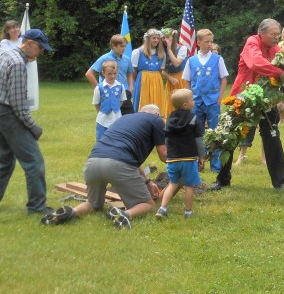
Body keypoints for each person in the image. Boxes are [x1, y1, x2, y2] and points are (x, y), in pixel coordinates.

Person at [41, 105, 166, 229]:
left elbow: (132, 160)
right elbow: (163, 155)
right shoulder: (156, 120)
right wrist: (183, 160)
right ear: (156, 115)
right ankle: (124, 215)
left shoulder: (125, 118)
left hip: (93, 163)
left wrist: (148, 182)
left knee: (93, 203)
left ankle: (72, 212)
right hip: (118, 165)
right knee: (147, 204)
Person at [211, 19, 284, 190]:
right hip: (243, 97)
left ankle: (280, 182)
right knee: (230, 138)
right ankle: (222, 180)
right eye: (273, 34)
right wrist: (279, 73)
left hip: (266, 98)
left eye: (278, 34)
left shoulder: (275, 49)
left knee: (272, 137)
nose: (277, 38)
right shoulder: (252, 43)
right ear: (261, 33)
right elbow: (255, 63)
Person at [0, 29, 53, 216]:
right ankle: (37, 208)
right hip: (7, 113)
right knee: (34, 161)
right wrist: (33, 127)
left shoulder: (5, 54)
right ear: (29, 43)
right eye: (40, 49)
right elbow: (19, 106)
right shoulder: (17, 64)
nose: (40, 54)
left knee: (5, 160)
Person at [181, 29, 228, 173]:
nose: (209, 44)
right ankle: (197, 163)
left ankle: (216, 165)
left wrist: (219, 97)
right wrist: (189, 98)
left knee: (215, 132)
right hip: (196, 102)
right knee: (196, 133)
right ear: (198, 42)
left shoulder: (217, 59)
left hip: (212, 101)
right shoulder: (191, 60)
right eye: (206, 41)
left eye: (211, 41)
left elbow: (224, 78)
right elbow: (187, 81)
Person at [155, 89, 206, 220]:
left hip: (172, 159)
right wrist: (202, 156)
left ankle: (163, 208)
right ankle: (188, 212)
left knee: (173, 183)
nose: (194, 102)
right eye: (192, 100)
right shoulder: (193, 119)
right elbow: (198, 140)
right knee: (189, 185)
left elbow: (166, 139)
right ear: (185, 104)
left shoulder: (169, 119)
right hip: (188, 159)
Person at [86, 35, 135, 115]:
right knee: (110, 118)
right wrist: (99, 88)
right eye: (121, 46)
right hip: (109, 93)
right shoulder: (104, 58)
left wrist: (131, 87)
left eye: (125, 46)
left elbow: (129, 73)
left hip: (124, 92)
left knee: (130, 118)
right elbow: (89, 74)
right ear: (113, 46)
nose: (124, 48)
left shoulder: (126, 59)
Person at [131, 29, 166, 113]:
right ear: (147, 39)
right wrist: (137, 82)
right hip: (143, 80)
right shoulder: (138, 52)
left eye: (158, 38)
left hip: (156, 80)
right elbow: (133, 71)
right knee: (143, 101)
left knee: (157, 102)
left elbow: (161, 70)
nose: (156, 40)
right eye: (153, 38)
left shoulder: (162, 54)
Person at [91, 60, 126, 141]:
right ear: (103, 73)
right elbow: (96, 103)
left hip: (116, 117)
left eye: (114, 73)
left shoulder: (121, 87)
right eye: (109, 74)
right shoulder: (99, 88)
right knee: (101, 139)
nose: (112, 76)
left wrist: (115, 108)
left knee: (116, 138)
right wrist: (102, 112)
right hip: (103, 119)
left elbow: (121, 101)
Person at [162, 28, 189, 119]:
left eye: (168, 37)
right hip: (171, 80)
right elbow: (162, 70)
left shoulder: (182, 49)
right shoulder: (162, 51)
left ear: (174, 38)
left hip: (182, 78)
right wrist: (170, 77)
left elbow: (176, 63)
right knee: (171, 103)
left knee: (184, 101)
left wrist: (169, 49)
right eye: (164, 38)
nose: (165, 40)